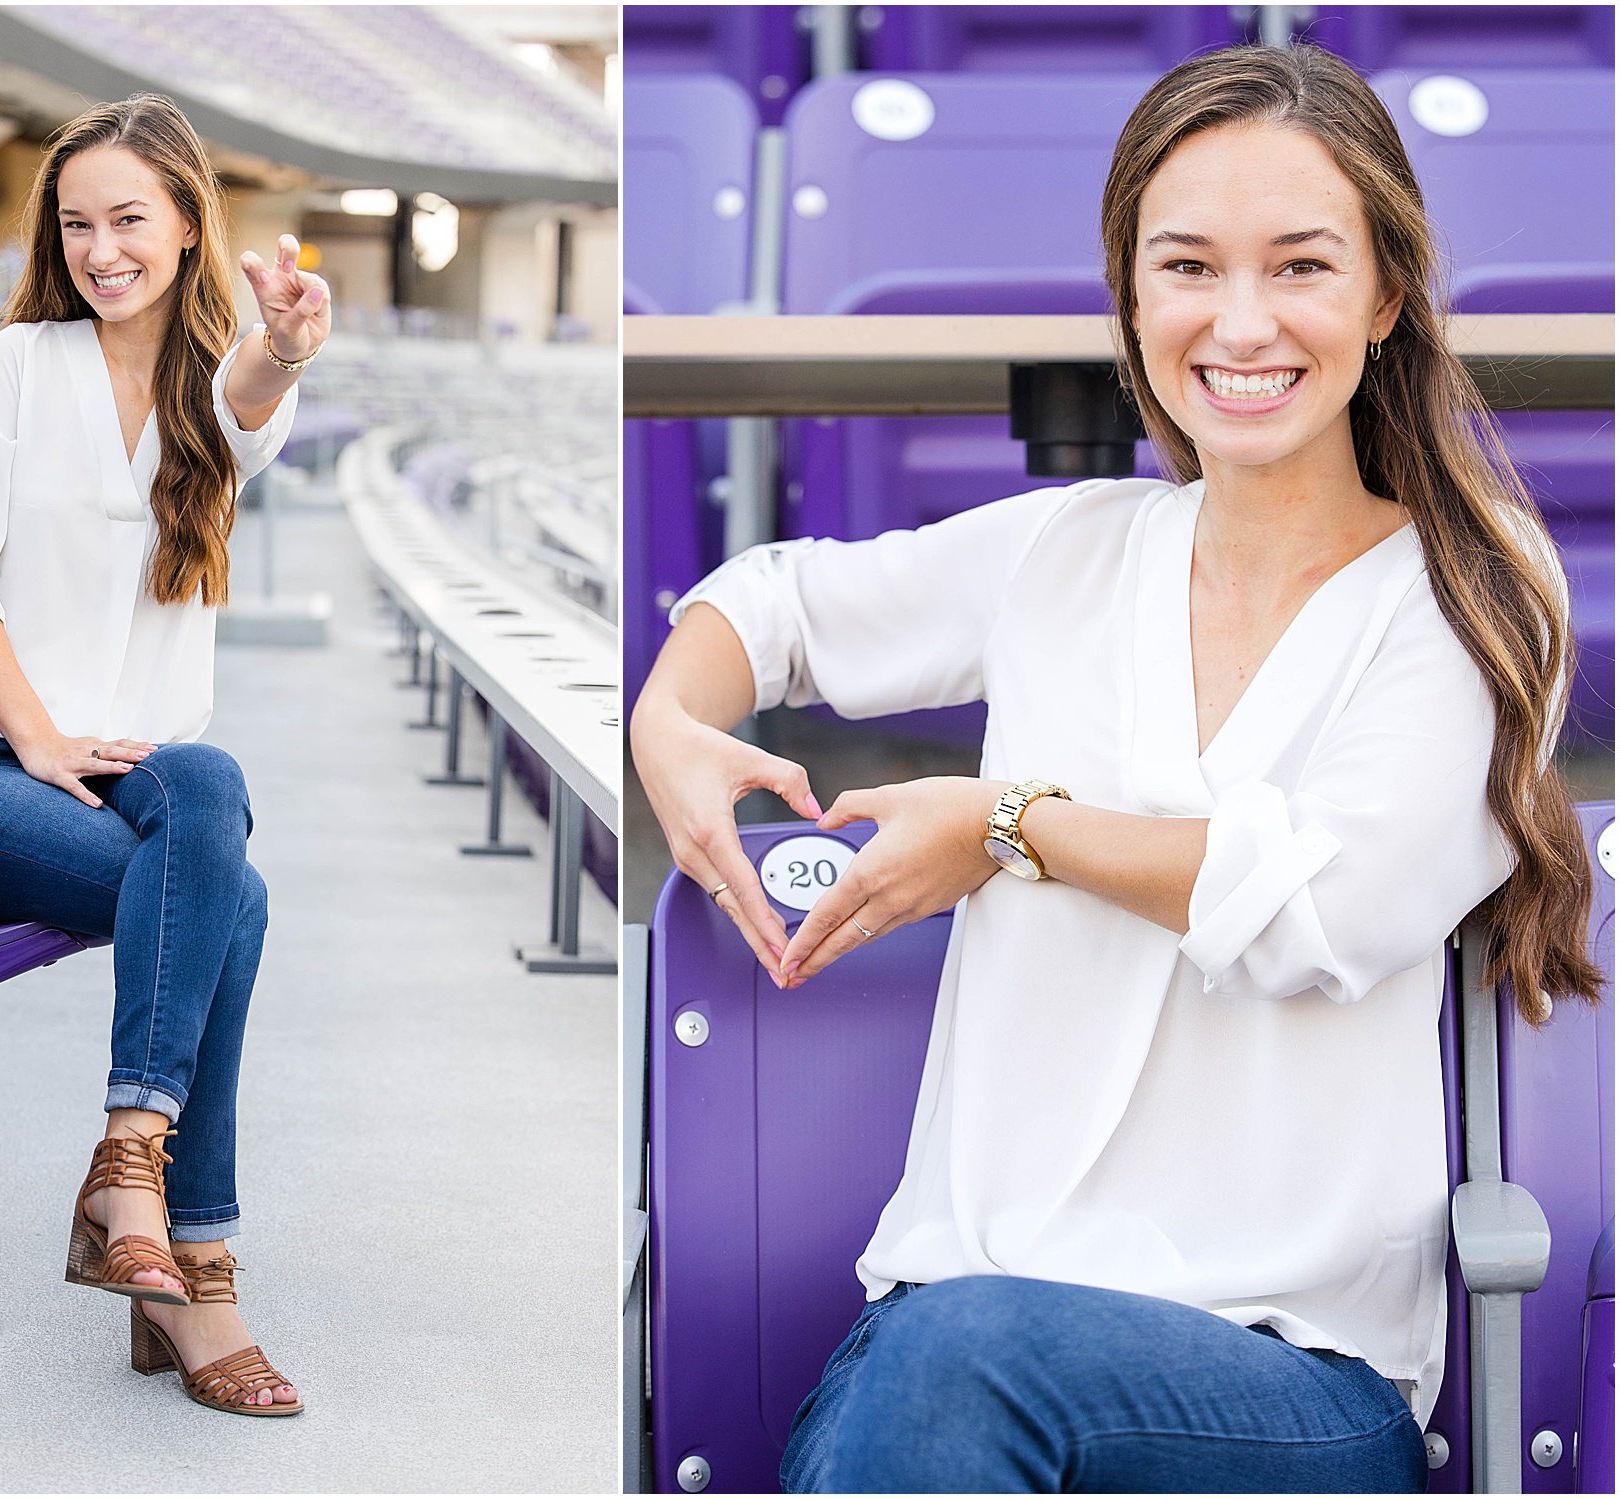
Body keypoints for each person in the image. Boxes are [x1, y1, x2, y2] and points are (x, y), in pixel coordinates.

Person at [630, 43, 1602, 1492]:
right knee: (948, 1368)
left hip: (1292, 1374)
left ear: (1387, 296)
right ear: (1133, 301)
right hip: (948, 1336)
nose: (1241, 320)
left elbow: (1323, 910)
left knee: (961, 1368)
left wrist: (1011, 825)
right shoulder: (1067, 549)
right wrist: (668, 723)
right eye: (1188, 267)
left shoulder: (1475, 591)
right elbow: (772, 608)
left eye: (1302, 266)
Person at [0, 94, 331, 1416]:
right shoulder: (20, 367)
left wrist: (281, 347)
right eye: (78, 223)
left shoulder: (216, 380)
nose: (101, 249)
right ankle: (189, 1267)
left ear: (191, 223)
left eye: (131, 220)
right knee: (232, 903)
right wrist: (34, 737)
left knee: (207, 779)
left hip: (139, 779)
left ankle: (130, 1168)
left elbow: (250, 404)